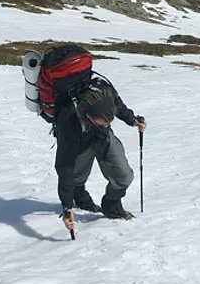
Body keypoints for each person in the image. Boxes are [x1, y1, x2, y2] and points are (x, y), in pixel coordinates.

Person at [53, 78, 146, 226]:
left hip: (102, 137)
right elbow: (65, 166)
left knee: (124, 176)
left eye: (109, 122)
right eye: (102, 122)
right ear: (88, 116)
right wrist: (67, 207)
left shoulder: (105, 91)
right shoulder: (68, 120)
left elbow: (118, 105)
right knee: (75, 178)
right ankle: (80, 197)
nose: (107, 124)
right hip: (79, 141)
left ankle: (111, 205)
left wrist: (132, 120)